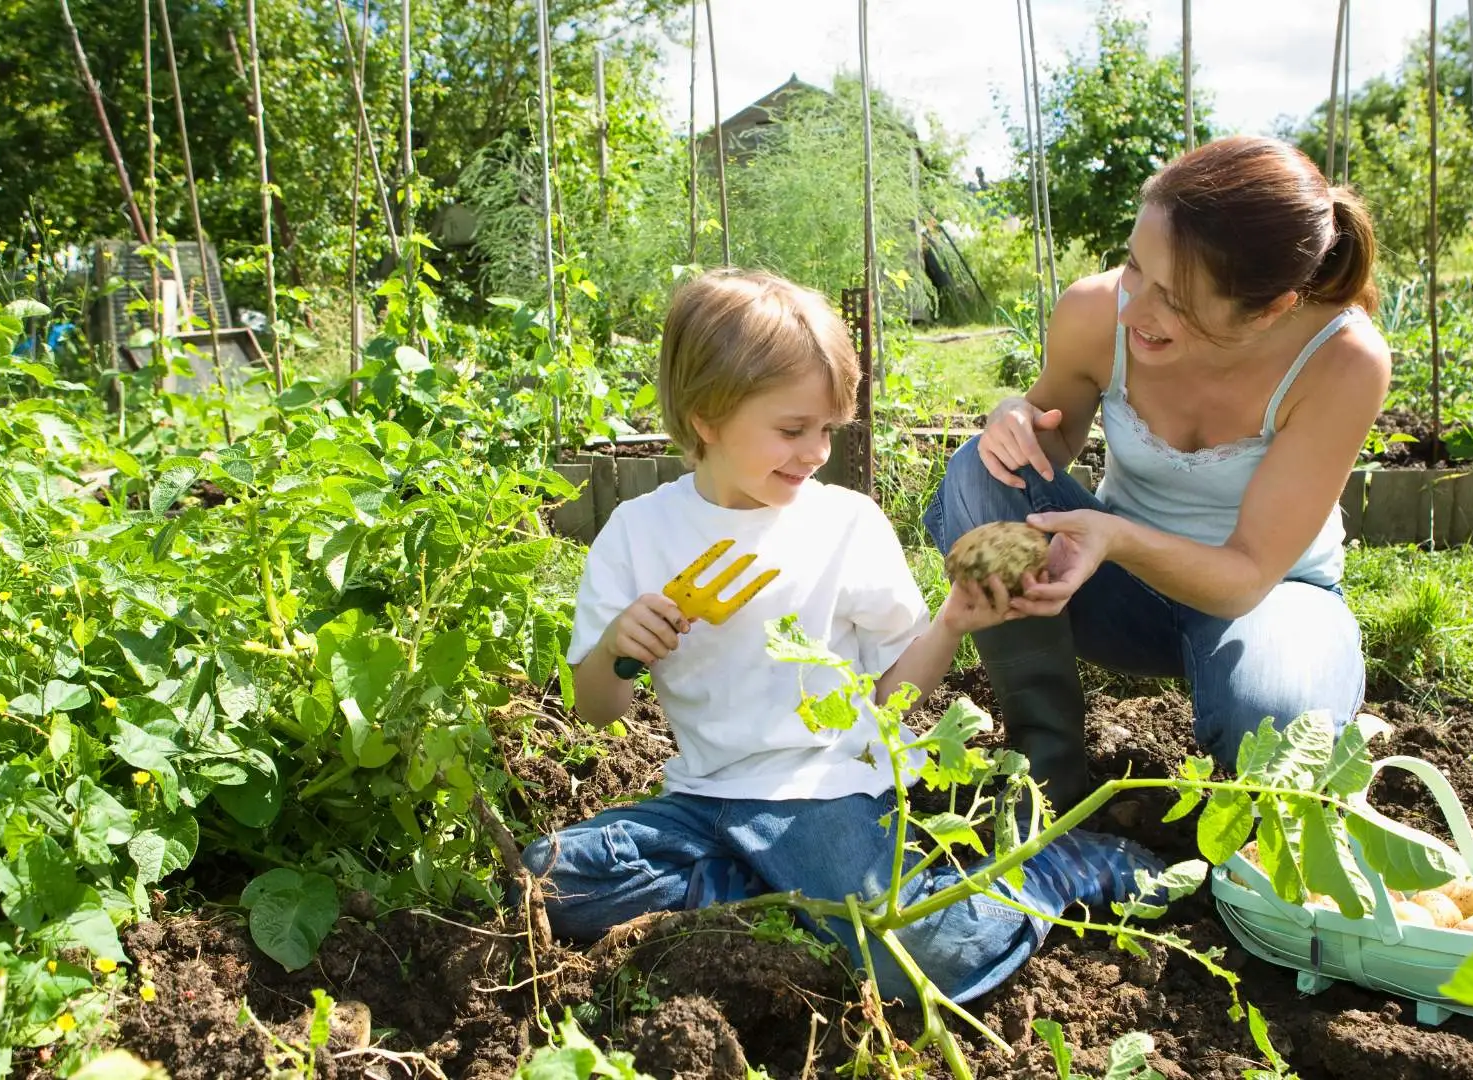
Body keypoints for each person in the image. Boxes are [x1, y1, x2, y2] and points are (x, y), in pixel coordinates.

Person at [521, 268, 1161, 1006]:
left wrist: (951, 621)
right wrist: (616, 650)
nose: (817, 451)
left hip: (822, 792)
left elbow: (889, 698)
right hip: (703, 800)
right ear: (706, 418)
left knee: (923, 960)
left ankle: (1052, 870)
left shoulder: (844, 525)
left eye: (827, 429)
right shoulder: (639, 532)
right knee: (546, 880)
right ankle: (768, 895)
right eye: (792, 430)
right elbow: (596, 709)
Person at [924, 135, 1390, 810]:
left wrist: (1117, 538)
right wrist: (1013, 417)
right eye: (1134, 267)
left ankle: (1258, 784)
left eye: (1175, 299)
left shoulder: (1341, 360)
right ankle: (1044, 766)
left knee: (1281, 729)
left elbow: (1247, 576)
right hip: (1118, 591)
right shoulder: (1095, 312)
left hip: (1269, 596)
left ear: (1270, 309)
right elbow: (1047, 437)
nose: (1133, 308)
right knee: (981, 469)